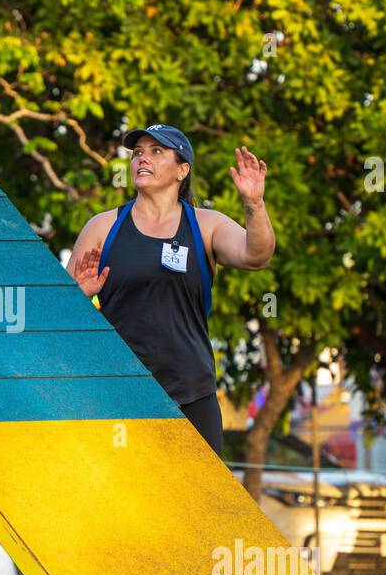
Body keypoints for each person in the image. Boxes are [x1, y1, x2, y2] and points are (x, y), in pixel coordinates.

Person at [66, 124, 273, 457]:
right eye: (138, 153)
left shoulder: (206, 225)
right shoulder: (103, 227)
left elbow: (257, 255)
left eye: (156, 151)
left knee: (202, 506)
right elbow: (63, 319)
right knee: (127, 506)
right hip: (120, 397)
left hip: (192, 396)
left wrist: (254, 204)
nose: (142, 158)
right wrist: (78, 295)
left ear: (182, 170)